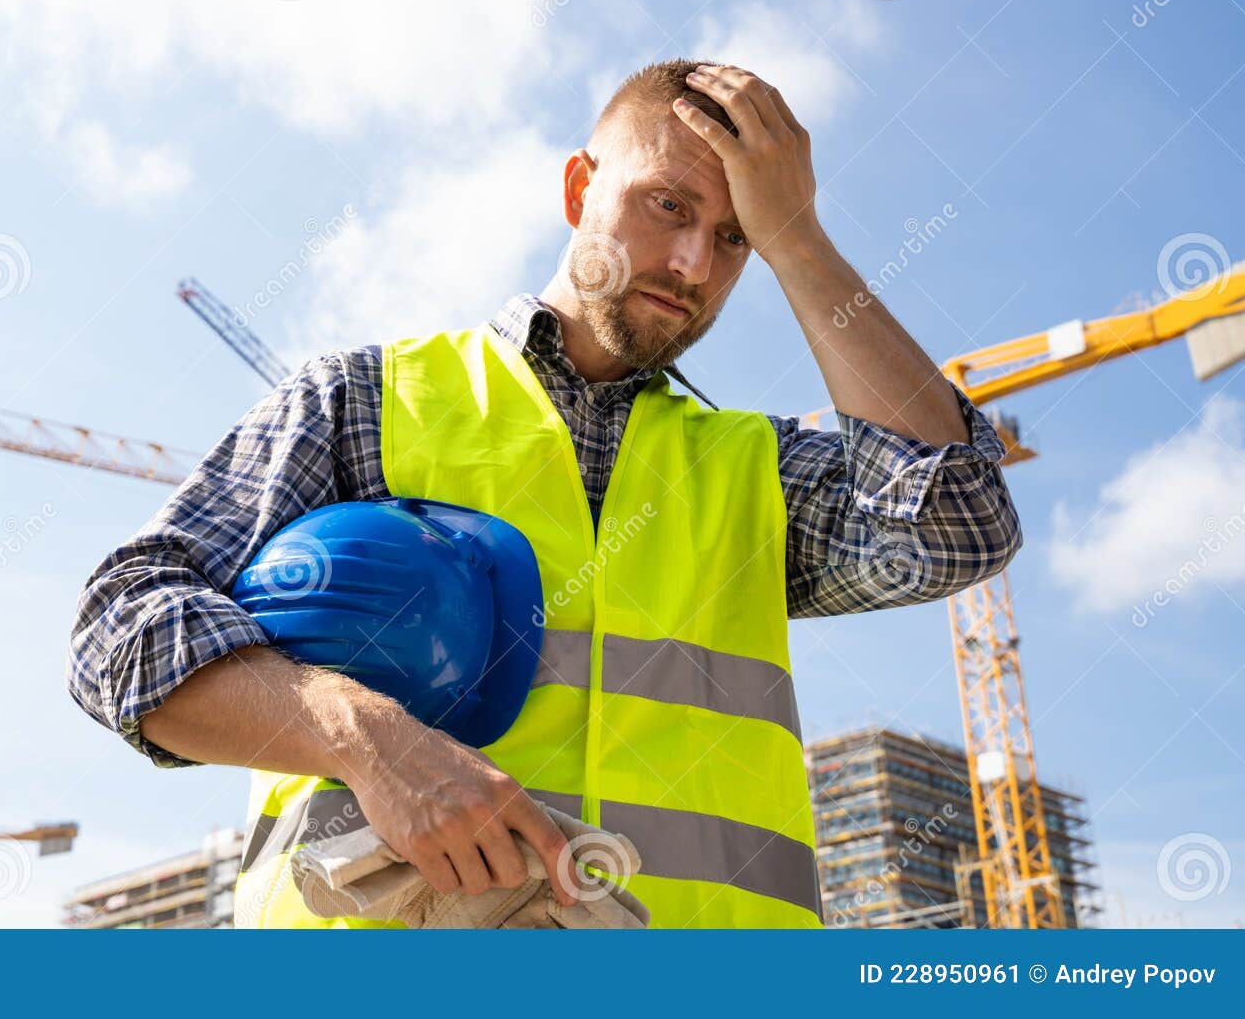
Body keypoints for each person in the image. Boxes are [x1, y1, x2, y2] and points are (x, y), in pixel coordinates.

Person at [67, 60, 1023, 927]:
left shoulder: (754, 470)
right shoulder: (367, 401)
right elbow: (120, 629)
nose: (693, 264)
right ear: (579, 189)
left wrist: (799, 238)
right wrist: (367, 738)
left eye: (736, 236)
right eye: (666, 206)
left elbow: (962, 524)